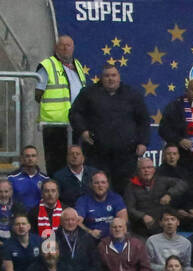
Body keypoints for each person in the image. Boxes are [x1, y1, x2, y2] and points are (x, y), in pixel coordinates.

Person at [67, 65, 149, 195]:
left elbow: (143, 120)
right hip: (97, 153)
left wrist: (143, 142)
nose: (110, 79)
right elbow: (75, 113)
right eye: (107, 76)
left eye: (113, 75)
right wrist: (83, 131)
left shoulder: (132, 94)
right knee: (98, 186)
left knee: (126, 189)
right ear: (101, 78)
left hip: (126, 155)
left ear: (119, 77)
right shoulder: (88, 93)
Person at [34, 36, 89, 177]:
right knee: (56, 164)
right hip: (55, 124)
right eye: (62, 45)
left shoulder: (77, 65)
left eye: (68, 45)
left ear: (73, 48)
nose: (65, 48)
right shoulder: (47, 65)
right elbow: (37, 94)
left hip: (75, 124)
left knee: (76, 163)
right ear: (56, 48)